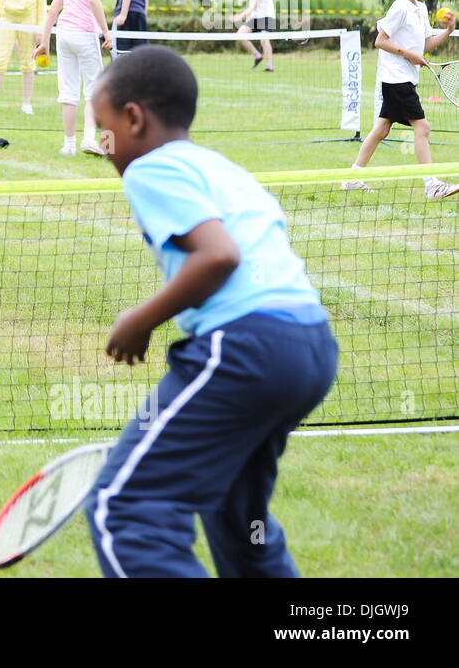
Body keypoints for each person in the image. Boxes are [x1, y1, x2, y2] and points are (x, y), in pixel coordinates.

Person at [83, 45, 339, 577]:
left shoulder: (150, 169)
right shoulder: (219, 166)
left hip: (248, 346)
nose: (100, 145)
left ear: (133, 118)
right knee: (239, 518)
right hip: (310, 344)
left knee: (125, 508)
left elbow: (220, 254)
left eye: (102, 129)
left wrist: (141, 319)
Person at [341, 0, 459, 199]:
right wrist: (408, 54)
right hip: (396, 80)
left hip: (404, 78)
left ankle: (353, 177)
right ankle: (432, 184)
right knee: (423, 128)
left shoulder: (419, 8)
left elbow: (425, 44)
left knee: (381, 129)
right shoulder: (400, 7)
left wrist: (448, 31)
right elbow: (380, 40)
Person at [34, 0, 114, 157]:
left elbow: (53, 10)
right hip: (84, 33)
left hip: (64, 34)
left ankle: (68, 145)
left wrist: (45, 42)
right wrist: (106, 32)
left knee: (68, 91)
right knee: (94, 88)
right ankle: (88, 139)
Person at [232, 0, 275, 71]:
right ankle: (257, 56)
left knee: (264, 40)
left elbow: (254, 6)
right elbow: (252, 8)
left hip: (266, 18)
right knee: (240, 35)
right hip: (255, 18)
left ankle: (269, 66)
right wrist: (243, 15)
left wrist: (240, 17)